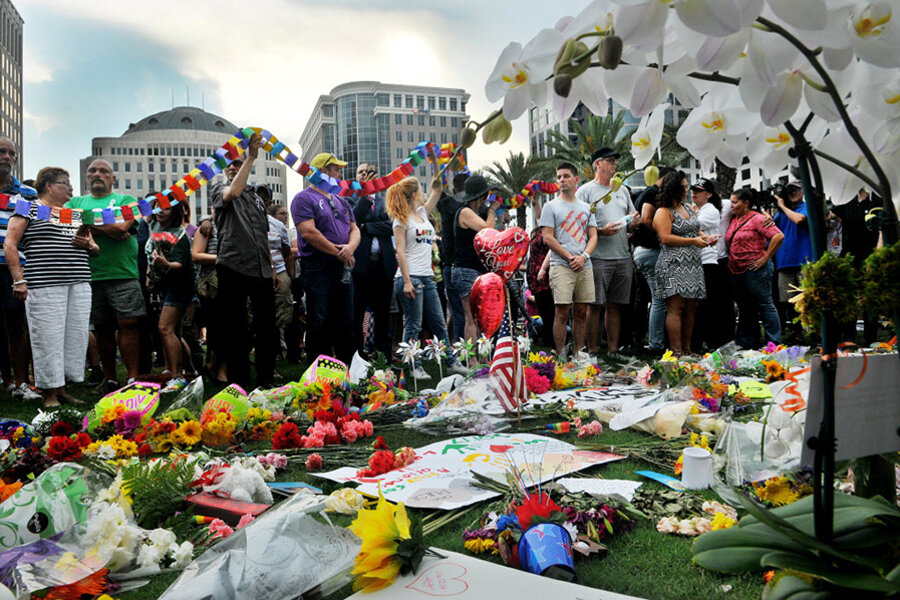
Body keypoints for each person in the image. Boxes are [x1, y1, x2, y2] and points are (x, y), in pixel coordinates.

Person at [3, 167, 97, 407]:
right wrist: (19, 279)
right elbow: (10, 244)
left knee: (74, 336)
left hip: (79, 282)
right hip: (44, 283)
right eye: (65, 183)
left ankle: (63, 390)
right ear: (48, 186)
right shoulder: (28, 208)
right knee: (48, 337)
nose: (71, 188)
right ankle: (50, 395)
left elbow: (95, 248)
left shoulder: (76, 214)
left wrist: (88, 245)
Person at [67, 159, 145, 393]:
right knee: (102, 328)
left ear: (113, 178)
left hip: (123, 273)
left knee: (129, 323)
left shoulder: (126, 200)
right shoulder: (75, 202)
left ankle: (132, 378)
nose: (97, 174)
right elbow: (69, 228)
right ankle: (110, 379)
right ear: (86, 177)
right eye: (92, 171)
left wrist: (87, 224)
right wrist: (109, 226)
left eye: (103, 171)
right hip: (90, 276)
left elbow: (122, 228)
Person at [209, 133, 277, 390]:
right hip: (233, 266)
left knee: (267, 328)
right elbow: (234, 192)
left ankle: (266, 382)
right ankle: (239, 384)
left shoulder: (258, 199)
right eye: (228, 164)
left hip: (261, 270)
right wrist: (251, 157)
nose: (232, 167)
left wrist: (271, 267)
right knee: (236, 328)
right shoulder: (219, 188)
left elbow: (263, 235)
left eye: (236, 162)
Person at [387, 177, 466, 380]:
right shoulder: (401, 220)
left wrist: (436, 174)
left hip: (428, 278)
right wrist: (407, 281)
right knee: (413, 325)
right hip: (410, 277)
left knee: (439, 323)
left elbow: (436, 191)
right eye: (421, 191)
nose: (424, 195)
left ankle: (451, 362)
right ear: (414, 195)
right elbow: (400, 252)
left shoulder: (422, 213)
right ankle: (413, 366)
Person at [292, 152, 360, 366]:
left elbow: (355, 229)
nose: (340, 174)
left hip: (342, 266)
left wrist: (349, 248)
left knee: (346, 318)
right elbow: (309, 232)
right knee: (320, 320)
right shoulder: (303, 198)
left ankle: (346, 368)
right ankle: (319, 371)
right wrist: (339, 252)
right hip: (317, 267)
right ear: (323, 171)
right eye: (336, 169)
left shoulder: (341, 201)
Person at [575, 147, 638, 361]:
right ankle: (593, 351)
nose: (615, 165)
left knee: (615, 305)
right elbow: (577, 225)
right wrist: (601, 231)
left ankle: (613, 351)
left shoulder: (622, 190)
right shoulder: (585, 191)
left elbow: (630, 216)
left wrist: (634, 221)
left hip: (622, 255)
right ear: (597, 164)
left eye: (615, 161)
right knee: (595, 306)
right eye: (610, 160)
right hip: (597, 257)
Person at [538, 162, 598, 360]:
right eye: (559, 177)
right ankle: (561, 355)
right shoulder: (550, 206)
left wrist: (584, 257)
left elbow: (593, 236)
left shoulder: (586, 208)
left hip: (585, 265)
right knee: (562, 312)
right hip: (561, 266)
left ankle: (579, 353)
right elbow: (548, 237)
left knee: (581, 311)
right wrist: (570, 257)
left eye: (566, 176)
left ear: (576, 179)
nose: (562, 180)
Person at [652, 171, 710, 356]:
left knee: (691, 308)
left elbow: (696, 229)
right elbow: (665, 237)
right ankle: (676, 351)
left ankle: (687, 349)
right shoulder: (663, 212)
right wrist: (693, 241)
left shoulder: (688, 207)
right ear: (673, 189)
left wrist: (705, 237)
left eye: (687, 187)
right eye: (683, 187)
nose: (686, 191)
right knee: (676, 308)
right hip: (673, 263)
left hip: (693, 263)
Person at [0, 138, 40, 401]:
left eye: (11, 153)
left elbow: (35, 230)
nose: (6, 156)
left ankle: (20, 382)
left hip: (14, 268)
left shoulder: (27, 193)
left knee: (16, 325)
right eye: (1, 151)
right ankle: (5, 379)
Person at [726, 188, 784, 349]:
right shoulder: (734, 219)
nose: (732, 205)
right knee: (745, 307)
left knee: (765, 304)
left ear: (746, 203)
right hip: (736, 270)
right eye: (731, 202)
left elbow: (778, 236)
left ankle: (773, 342)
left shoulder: (757, 219)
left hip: (756, 269)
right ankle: (745, 342)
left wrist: (765, 258)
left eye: (735, 202)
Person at [145, 202, 194, 392]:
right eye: (157, 207)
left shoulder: (180, 234)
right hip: (164, 284)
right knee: (175, 332)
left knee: (165, 328)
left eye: (165, 208)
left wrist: (165, 264)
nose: (160, 211)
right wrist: (151, 272)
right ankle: (190, 371)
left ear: (174, 211)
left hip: (180, 285)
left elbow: (179, 264)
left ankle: (176, 376)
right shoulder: (155, 227)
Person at [351, 162, 396, 360]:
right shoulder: (350, 198)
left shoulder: (386, 201)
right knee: (357, 312)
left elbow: (392, 226)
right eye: (361, 172)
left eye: (369, 172)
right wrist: (365, 194)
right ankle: (358, 355)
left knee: (383, 313)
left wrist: (366, 227)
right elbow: (354, 219)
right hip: (361, 266)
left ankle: (383, 356)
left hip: (383, 265)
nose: (365, 175)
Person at [631, 167, 676, 355]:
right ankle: (656, 343)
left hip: (643, 251)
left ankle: (648, 340)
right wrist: (662, 234)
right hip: (649, 251)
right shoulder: (652, 192)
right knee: (659, 299)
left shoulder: (646, 192)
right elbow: (646, 219)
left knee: (649, 298)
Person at [832, 188, 882, 344]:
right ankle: (849, 338)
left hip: (869, 255)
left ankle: (870, 339)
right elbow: (831, 215)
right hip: (849, 255)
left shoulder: (876, 201)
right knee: (849, 298)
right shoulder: (847, 200)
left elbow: (882, 230)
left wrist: (876, 257)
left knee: (869, 299)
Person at [451, 175, 497, 342]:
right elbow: (487, 230)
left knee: (480, 317)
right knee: (472, 317)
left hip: (475, 269)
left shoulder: (474, 213)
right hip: (466, 270)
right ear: (482, 197)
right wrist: (492, 210)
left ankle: (480, 352)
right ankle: (471, 355)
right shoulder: (465, 212)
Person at [689, 178, 731, 352]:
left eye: (699, 190)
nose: (694, 193)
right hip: (695, 262)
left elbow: (691, 225)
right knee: (697, 306)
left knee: (706, 306)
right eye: (693, 190)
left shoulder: (711, 210)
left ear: (708, 194)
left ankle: (710, 342)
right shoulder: (696, 209)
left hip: (707, 262)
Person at [772, 181, 812, 341]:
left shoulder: (805, 207)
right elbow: (770, 228)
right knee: (788, 302)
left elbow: (799, 219)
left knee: (808, 299)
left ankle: (815, 333)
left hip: (804, 261)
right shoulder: (781, 213)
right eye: (789, 191)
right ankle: (797, 334)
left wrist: (782, 206)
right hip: (784, 262)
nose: (792, 193)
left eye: (796, 190)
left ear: (803, 191)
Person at [191, 212, 225, 381]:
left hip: (236, 277)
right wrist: (223, 259)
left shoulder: (236, 224)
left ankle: (221, 368)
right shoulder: (207, 227)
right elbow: (196, 255)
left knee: (231, 326)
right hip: (213, 283)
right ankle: (214, 366)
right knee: (217, 327)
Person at [436, 173, 469, 342]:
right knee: (471, 312)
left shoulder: (446, 204)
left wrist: (437, 166)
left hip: (449, 264)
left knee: (457, 312)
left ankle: (459, 346)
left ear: (454, 190)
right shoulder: (472, 208)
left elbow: (437, 188)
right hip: (469, 265)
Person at [267, 203, 294, 354]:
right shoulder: (247, 220)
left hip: (279, 270)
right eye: (282, 213)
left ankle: (279, 350)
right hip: (257, 272)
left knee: (283, 313)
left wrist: (290, 276)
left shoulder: (278, 226)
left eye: (286, 214)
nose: (285, 216)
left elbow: (288, 252)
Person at [526, 227, 554, 348]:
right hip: (536, 281)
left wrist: (543, 269)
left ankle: (555, 344)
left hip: (546, 279)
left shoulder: (551, 232)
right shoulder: (538, 232)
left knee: (551, 314)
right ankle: (549, 341)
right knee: (545, 314)